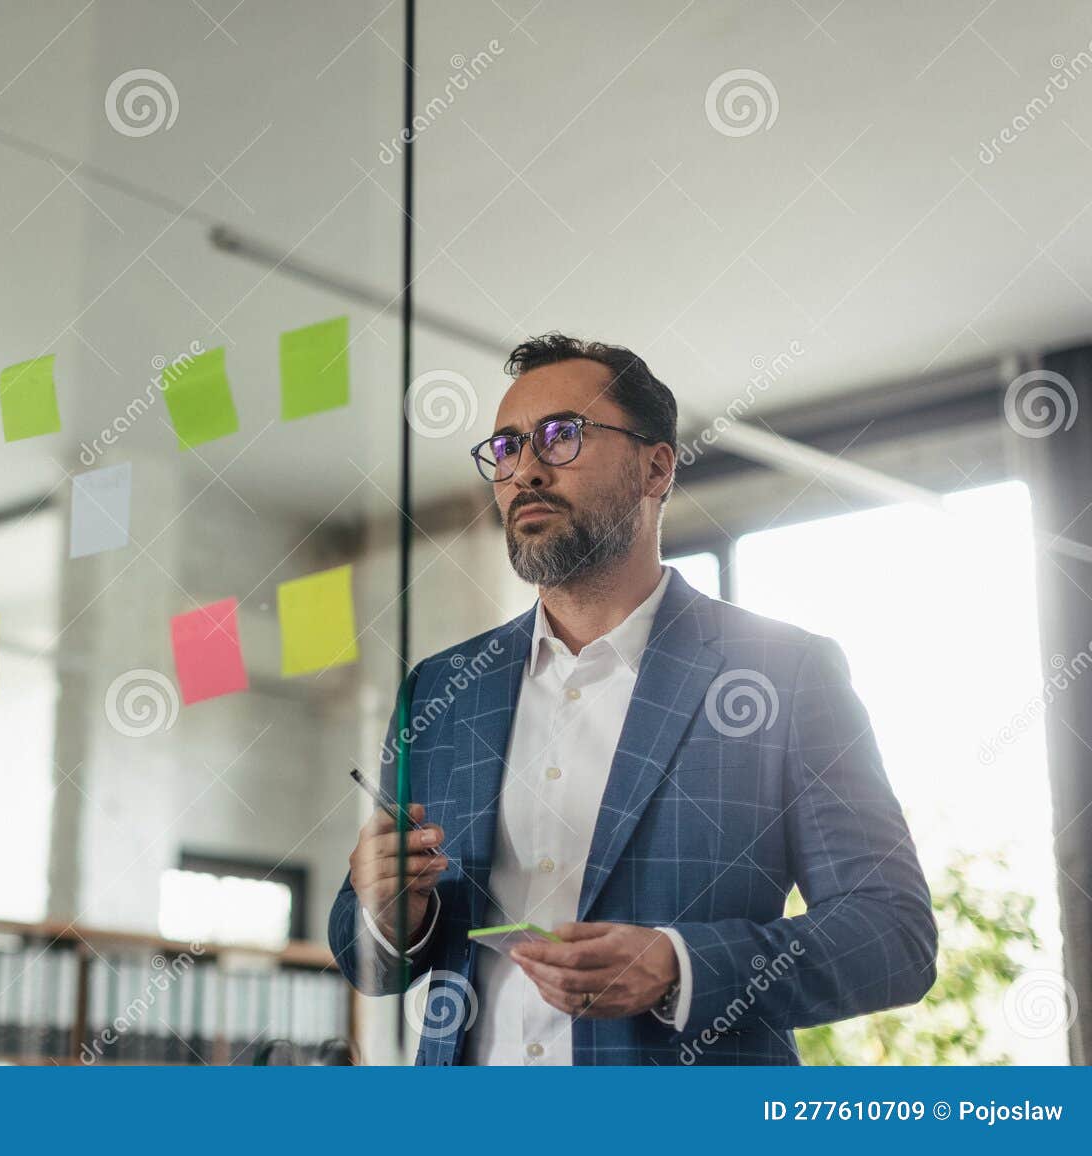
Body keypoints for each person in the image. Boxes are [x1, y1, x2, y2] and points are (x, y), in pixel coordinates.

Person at [328, 333, 936, 1065]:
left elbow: (892, 937)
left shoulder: (785, 674)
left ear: (656, 468)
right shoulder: (443, 687)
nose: (525, 470)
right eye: (507, 447)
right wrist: (396, 910)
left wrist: (678, 965)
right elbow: (362, 955)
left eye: (561, 437)